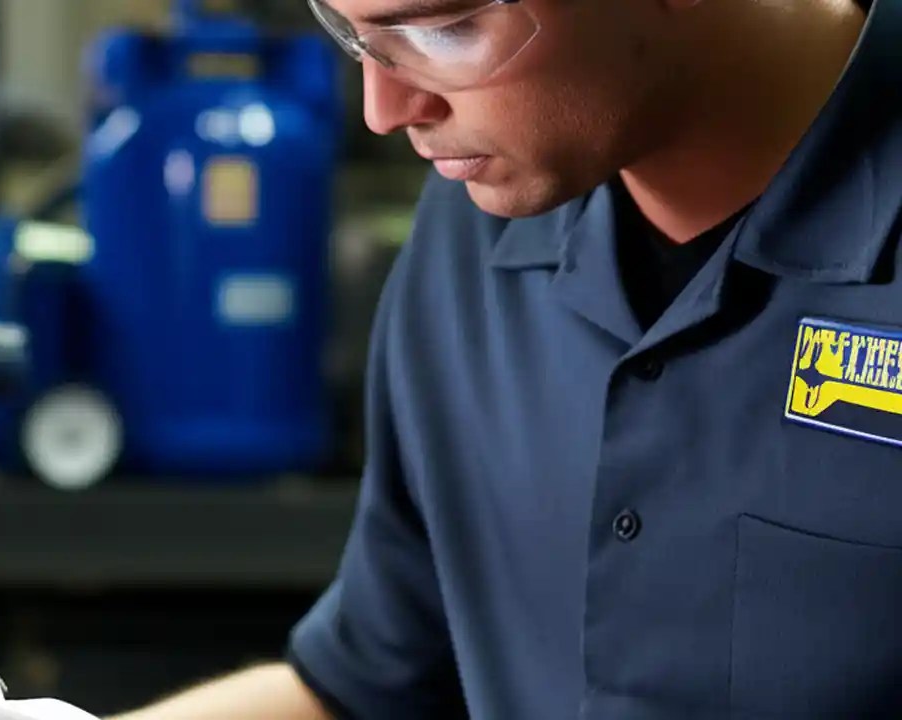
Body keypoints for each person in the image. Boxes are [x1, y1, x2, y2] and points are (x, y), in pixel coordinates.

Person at [111, 0, 898, 716]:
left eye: (443, 30)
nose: (385, 110)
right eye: (352, 34)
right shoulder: (476, 224)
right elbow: (364, 688)